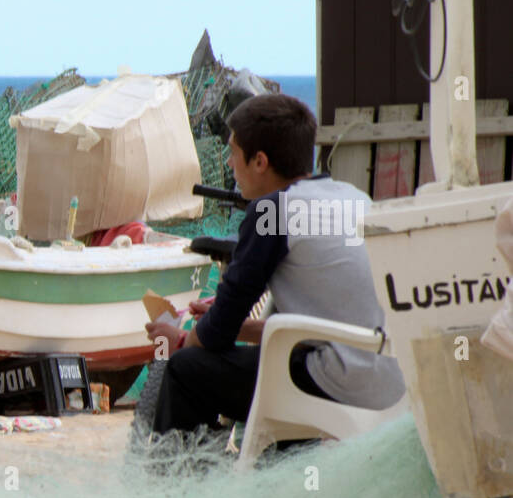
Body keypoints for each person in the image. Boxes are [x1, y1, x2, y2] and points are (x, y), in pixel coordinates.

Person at [145, 93, 405, 436]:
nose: (227, 164)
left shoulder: (273, 212)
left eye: (233, 153)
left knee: (185, 369)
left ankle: (182, 482)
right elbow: (313, 325)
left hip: (340, 380)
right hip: (393, 379)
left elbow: (212, 337)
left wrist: (179, 339)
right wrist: (233, 324)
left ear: (260, 162)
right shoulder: (354, 197)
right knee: (281, 360)